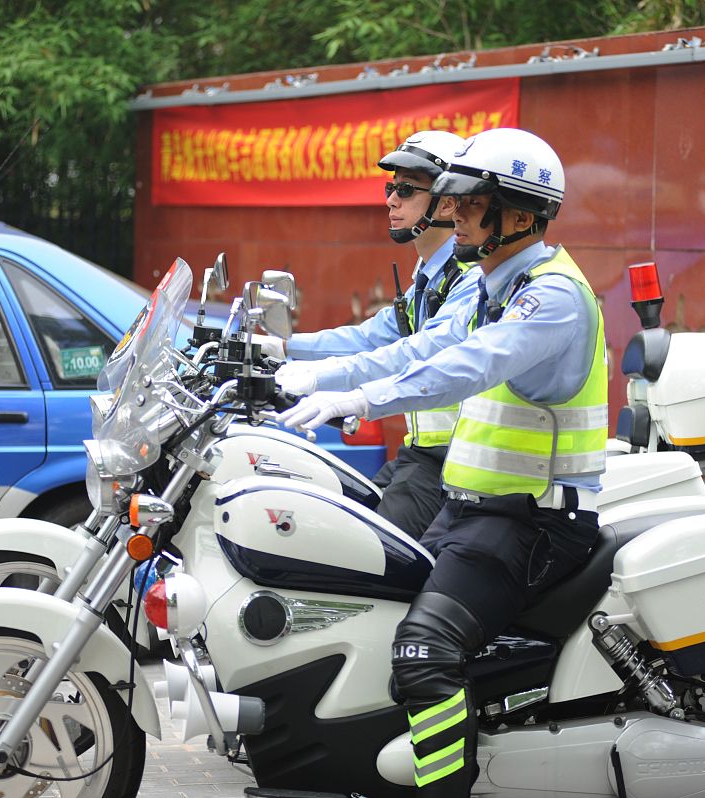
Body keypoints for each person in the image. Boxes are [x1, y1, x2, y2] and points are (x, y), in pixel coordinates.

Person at [278, 127, 606, 797]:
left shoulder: (552, 298)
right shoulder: (491, 288)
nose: (451, 214)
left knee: (424, 652)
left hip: (531, 526)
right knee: (369, 606)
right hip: (473, 514)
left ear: (518, 215)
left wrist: (360, 398)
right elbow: (411, 351)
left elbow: (466, 367)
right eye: (451, 201)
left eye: (468, 203)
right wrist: (313, 378)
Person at [265, 130, 481, 538]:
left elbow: (418, 351)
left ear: (447, 202)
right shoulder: (431, 276)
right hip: (422, 455)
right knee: (335, 523)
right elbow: (369, 338)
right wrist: (282, 347)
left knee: (371, 555)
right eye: (390, 188)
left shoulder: (471, 280)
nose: (390, 200)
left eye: (405, 190)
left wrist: (333, 387)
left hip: (458, 466)